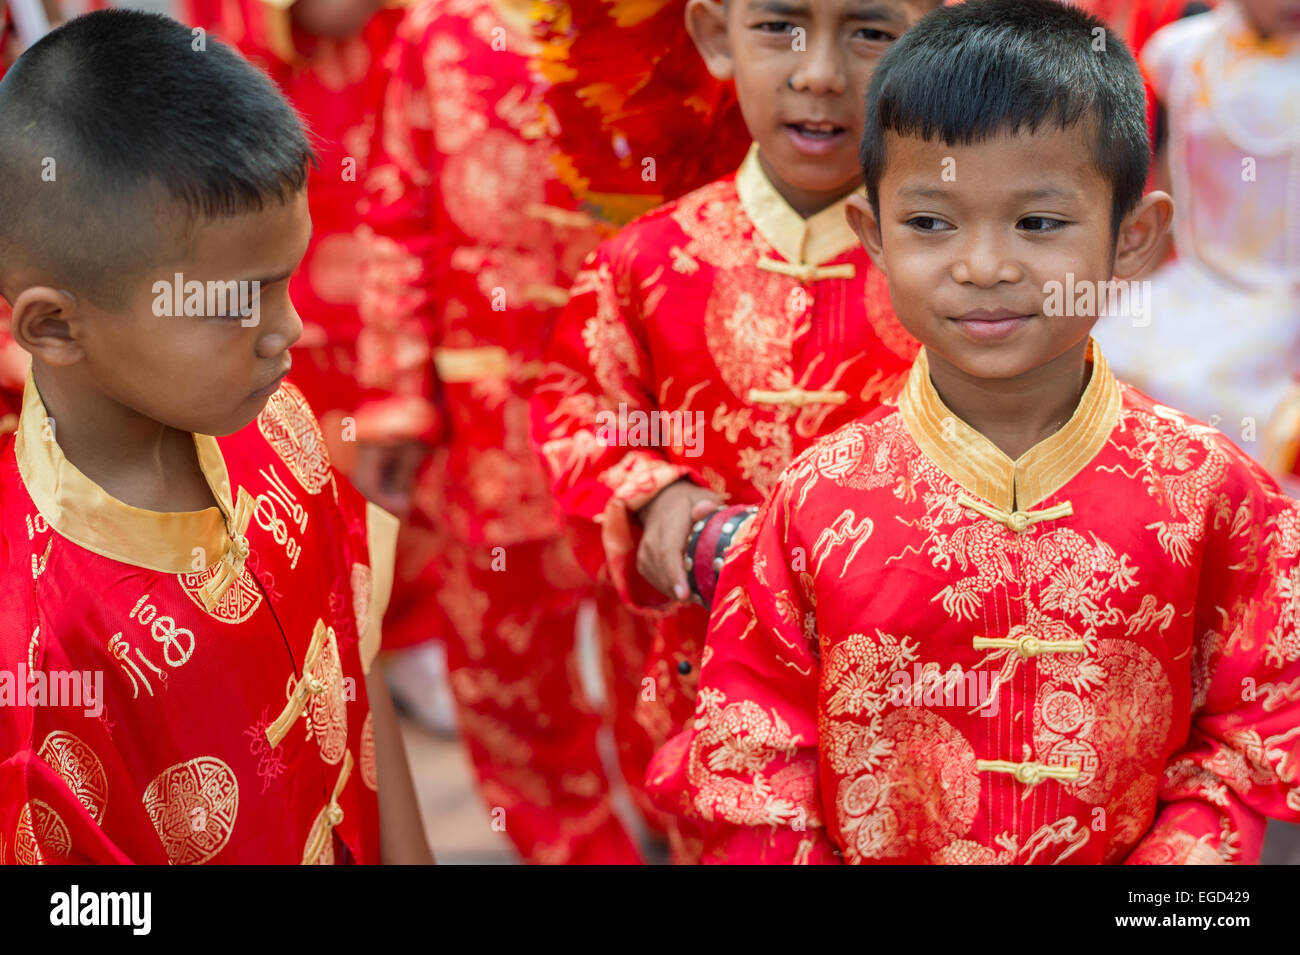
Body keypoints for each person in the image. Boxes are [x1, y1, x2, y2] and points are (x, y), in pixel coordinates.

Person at [647, 0, 1300, 864]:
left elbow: (1248, 742)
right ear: (873, 237)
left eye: (1037, 223)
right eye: (931, 223)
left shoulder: (1215, 493)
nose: (983, 265)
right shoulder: (816, 503)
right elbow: (760, 768)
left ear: (1132, 238)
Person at [0, 10, 431, 864]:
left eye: (287, 281)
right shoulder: (36, 632)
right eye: (240, 300)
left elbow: (354, 663)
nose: (292, 330)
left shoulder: (280, 423)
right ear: (54, 327)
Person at [533, 0, 939, 860]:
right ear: (716, 36)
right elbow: (577, 411)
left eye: (871, 32)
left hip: (912, 694)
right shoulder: (644, 262)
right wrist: (655, 496)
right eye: (780, 29)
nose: (820, 73)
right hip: (700, 689)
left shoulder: (949, 264)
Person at [352, 0, 644, 864]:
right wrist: (395, 396)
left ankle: (690, 823)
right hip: (491, 421)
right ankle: (570, 845)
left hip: (644, 403)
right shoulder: (439, 32)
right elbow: (396, 213)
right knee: (507, 665)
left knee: (665, 638)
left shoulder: (658, 25)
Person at [1092, 0, 1299, 478]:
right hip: (1195, 279)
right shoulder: (1179, 55)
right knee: (1101, 353)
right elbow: (1168, 182)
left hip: (1285, 302)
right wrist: (1124, 285)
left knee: (1212, 387)